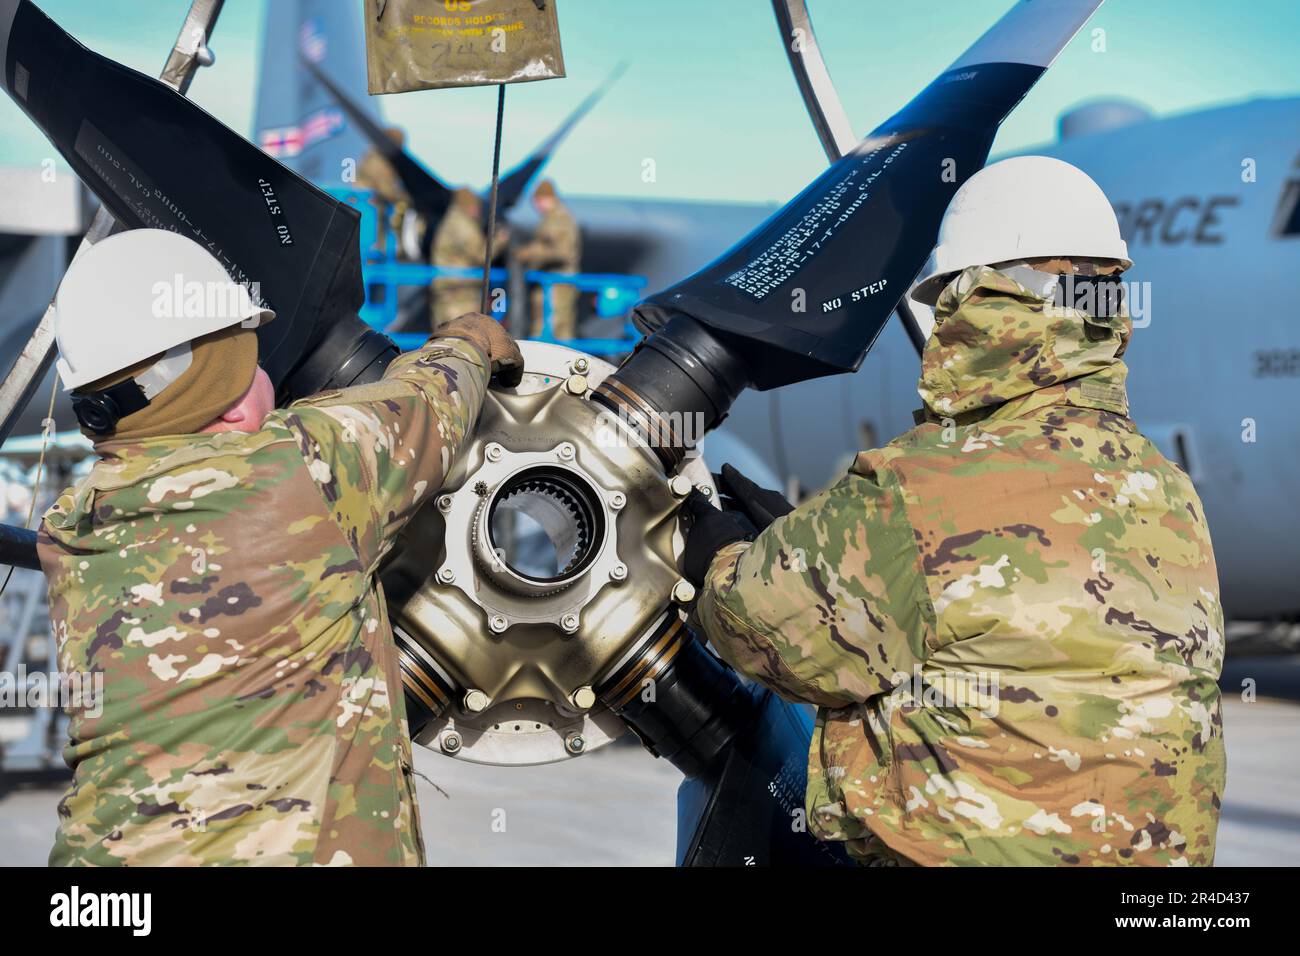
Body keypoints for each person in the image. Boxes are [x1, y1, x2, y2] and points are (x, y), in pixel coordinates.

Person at [682, 156, 1226, 866]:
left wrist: (717, 548)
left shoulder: (925, 483)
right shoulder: (1168, 487)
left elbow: (761, 632)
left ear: (978, 301)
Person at [37, 229, 522, 866]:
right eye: (254, 361)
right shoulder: (299, 470)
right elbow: (429, 404)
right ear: (231, 402)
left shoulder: (72, 526)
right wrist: (468, 340)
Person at [430, 187, 507, 331]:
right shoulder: (462, 224)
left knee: (446, 340)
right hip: (458, 293)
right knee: (462, 338)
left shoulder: (454, 219)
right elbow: (481, 254)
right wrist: (500, 239)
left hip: (452, 291)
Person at [515, 179, 581, 339]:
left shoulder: (558, 219)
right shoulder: (555, 217)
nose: (536, 207)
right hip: (554, 285)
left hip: (555, 286)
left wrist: (529, 253)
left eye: (537, 201)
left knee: (549, 335)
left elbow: (562, 252)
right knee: (556, 333)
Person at [355, 126, 412, 252]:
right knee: (374, 249)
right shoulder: (379, 161)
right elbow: (387, 190)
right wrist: (410, 199)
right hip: (370, 210)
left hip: (370, 209)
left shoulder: (374, 156)